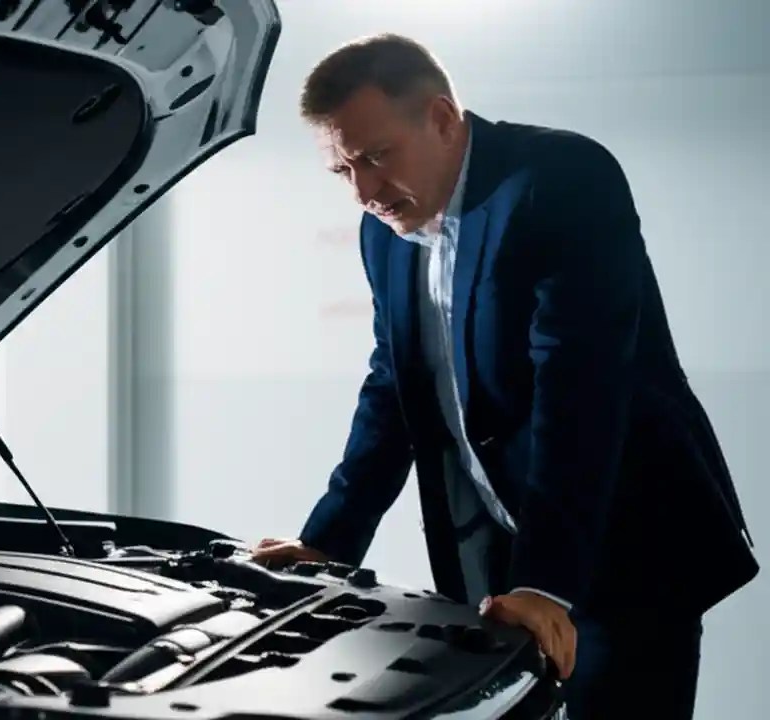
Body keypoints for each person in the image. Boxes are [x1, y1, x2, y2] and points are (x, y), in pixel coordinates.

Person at [252, 34, 758, 718]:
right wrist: (329, 541)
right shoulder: (385, 231)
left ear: (440, 118)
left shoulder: (561, 177)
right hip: (502, 561)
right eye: (342, 170)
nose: (362, 191)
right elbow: (393, 388)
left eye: (375, 157)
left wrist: (546, 586)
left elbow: (578, 387)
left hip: (630, 546)